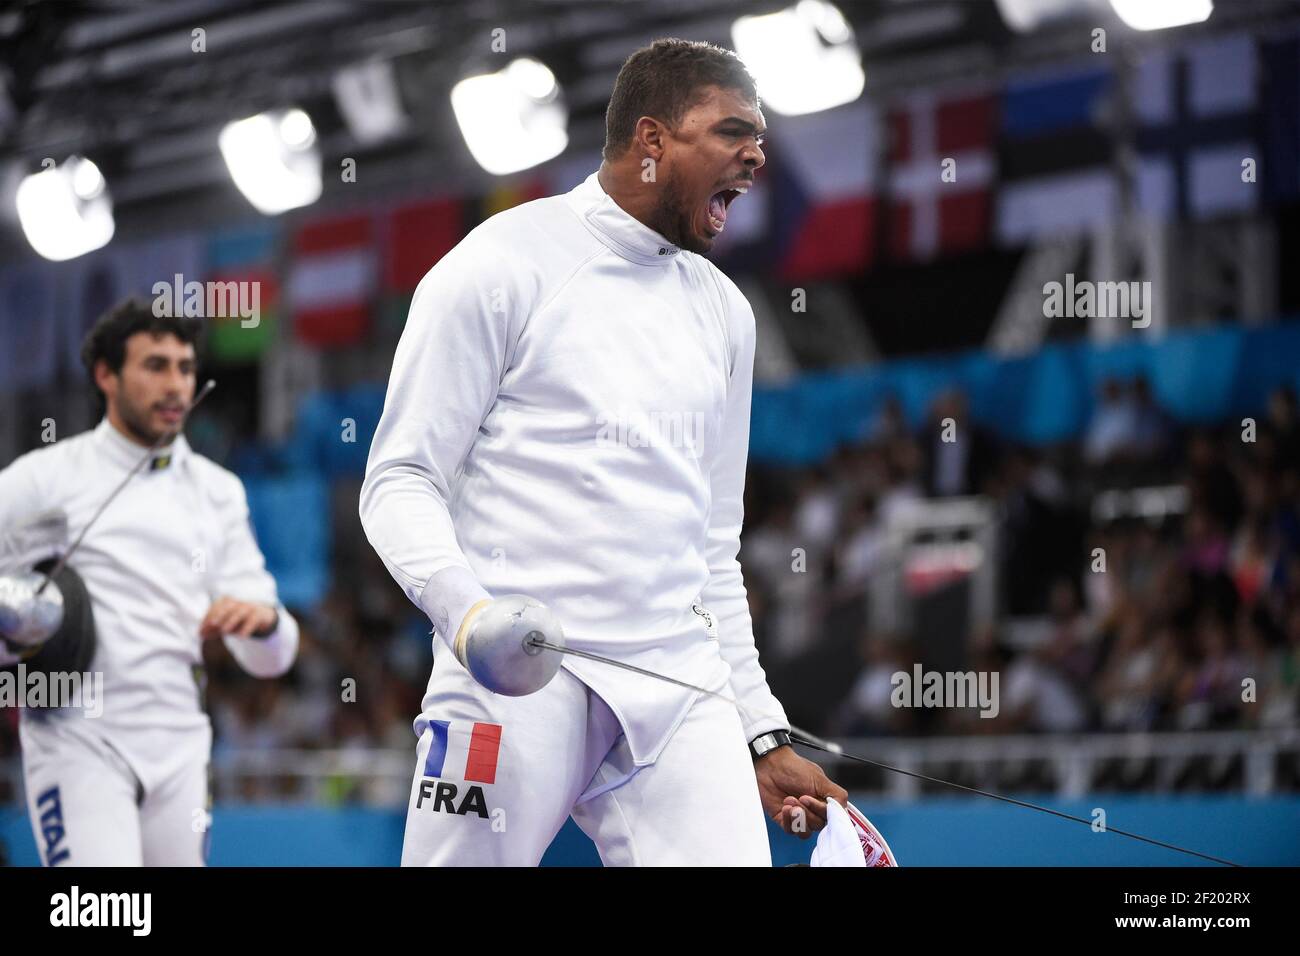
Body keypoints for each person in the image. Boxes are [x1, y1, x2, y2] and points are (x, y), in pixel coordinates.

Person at [361, 38, 846, 866]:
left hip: (676, 686)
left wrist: (762, 731)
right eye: (733, 131)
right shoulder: (499, 265)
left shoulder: (726, 314)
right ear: (652, 141)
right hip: (514, 676)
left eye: (760, 136)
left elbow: (712, 550)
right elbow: (400, 478)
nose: (758, 154)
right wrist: (469, 617)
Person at [0, 299, 299, 866]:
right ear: (106, 375)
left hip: (182, 745)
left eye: (185, 368)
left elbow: (273, 657)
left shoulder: (218, 492)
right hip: (77, 738)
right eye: (155, 365)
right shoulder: (47, 479)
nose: (176, 385)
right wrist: (16, 631)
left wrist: (262, 622)